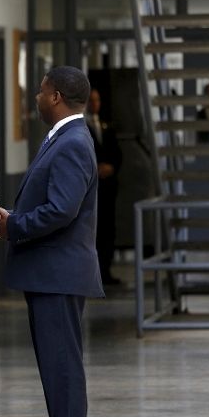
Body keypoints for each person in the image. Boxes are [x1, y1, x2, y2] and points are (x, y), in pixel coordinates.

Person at [0, 66, 104, 417]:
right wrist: (15, 218)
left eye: (39, 91)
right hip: (52, 272)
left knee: (62, 362)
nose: (35, 97)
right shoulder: (64, 138)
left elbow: (62, 210)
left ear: (54, 96)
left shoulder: (72, 142)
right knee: (57, 361)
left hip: (59, 273)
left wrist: (13, 225)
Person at [87, 88, 122, 285]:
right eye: (91, 100)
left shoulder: (107, 126)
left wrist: (112, 167)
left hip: (108, 187)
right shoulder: (82, 127)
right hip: (93, 188)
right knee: (95, 230)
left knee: (109, 230)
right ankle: (93, 273)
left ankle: (106, 271)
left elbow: (117, 153)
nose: (94, 104)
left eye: (97, 100)